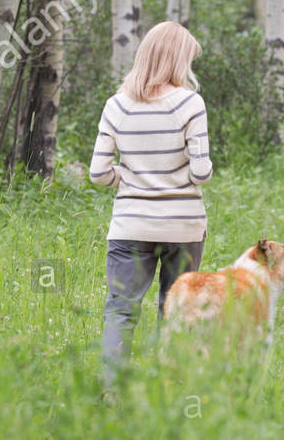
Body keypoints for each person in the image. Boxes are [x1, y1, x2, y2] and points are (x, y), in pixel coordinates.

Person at [90, 21, 212, 379]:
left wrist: (125, 179)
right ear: (178, 60)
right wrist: (181, 175)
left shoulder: (117, 105)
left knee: (121, 309)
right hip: (183, 226)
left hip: (131, 224)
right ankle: (168, 388)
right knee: (175, 310)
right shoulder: (190, 103)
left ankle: (112, 390)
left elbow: (98, 173)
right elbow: (201, 172)